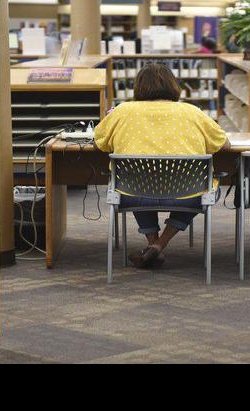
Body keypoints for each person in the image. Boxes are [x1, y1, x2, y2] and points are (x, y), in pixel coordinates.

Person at [94, 64, 229, 269]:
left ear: (138, 86)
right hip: (187, 193)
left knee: (139, 178)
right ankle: (159, 245)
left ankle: (154, 245)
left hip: (132, 192)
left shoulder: (122, 112)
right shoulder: (192, 112)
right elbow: (223, 144)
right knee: (203, 189)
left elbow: (100, 143)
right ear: (174, 85)